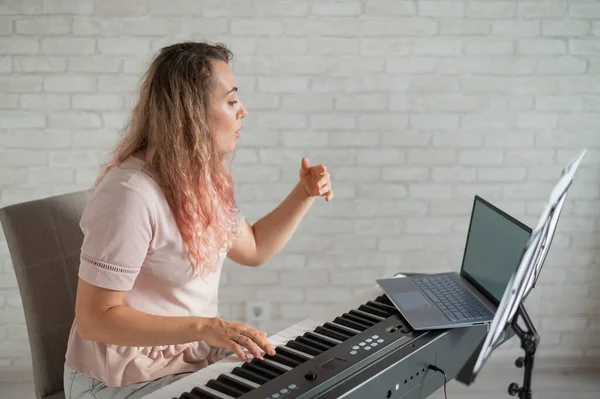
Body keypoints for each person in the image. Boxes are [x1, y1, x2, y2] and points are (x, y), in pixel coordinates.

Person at [63, 41, 334, 399]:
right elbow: (95, 319)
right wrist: (205, 327)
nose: (244, 111)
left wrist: (304, 194)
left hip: (192, 361)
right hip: (121, 379)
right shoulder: (130, 195)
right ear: (191, 112)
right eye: (232, 100)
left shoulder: (200, 180)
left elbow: (253, 248)